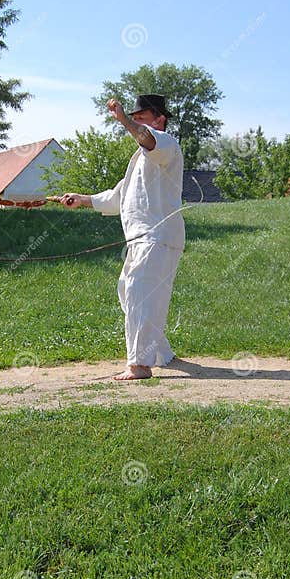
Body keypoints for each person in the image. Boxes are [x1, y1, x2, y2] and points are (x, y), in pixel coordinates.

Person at [51, 94, 185, 380]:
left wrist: (123, 118)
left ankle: (139, 365)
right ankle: (161, 353)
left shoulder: (166, 144)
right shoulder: (138, 161)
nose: (136, 120)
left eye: (141, 116)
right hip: (141, 239)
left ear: (159, 118)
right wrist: (81, 199)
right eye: (134, 116)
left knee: (140, 292)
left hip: (157, 235)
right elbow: (117, 198)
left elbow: (147, 138)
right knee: (128, 290)